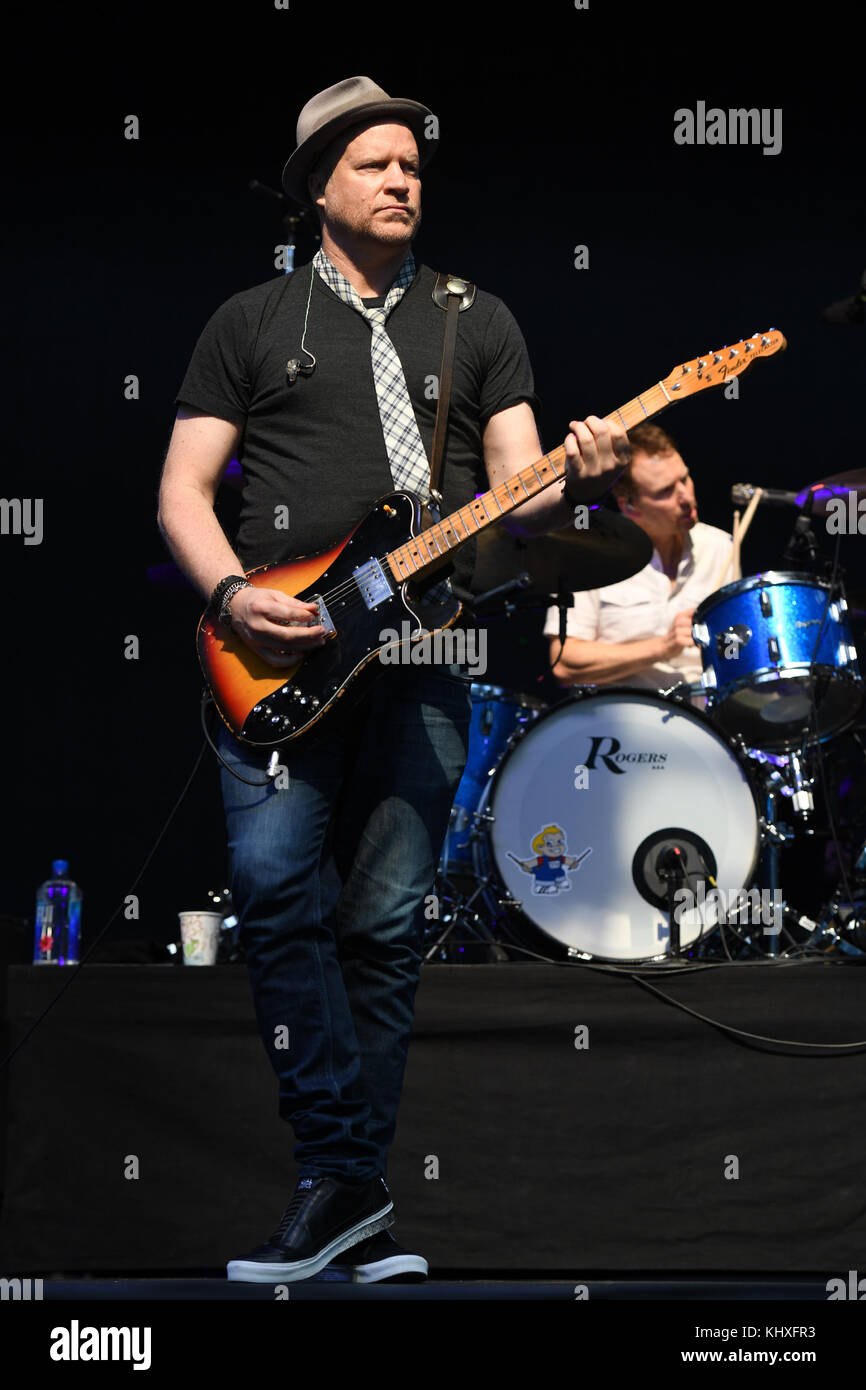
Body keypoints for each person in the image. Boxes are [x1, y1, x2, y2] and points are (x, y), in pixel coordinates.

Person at [157, 75, 629, 1284]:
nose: (403, 178)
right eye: (373, 163)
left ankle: (340, 1192)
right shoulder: (249, 322)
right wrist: (229, 596)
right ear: (318, 186)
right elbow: (179, 492)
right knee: (274, 899)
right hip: (273, 651)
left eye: (413, 164)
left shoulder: (480, 320)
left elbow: (515, 503)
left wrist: (575, 478)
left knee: (380, 924)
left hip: (423, 658)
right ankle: (345, 1178)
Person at [545, 422, 733, 693]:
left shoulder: (721, 547)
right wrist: (662, 647)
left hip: (701, 718)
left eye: (685, 479)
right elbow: (564, 663)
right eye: (665, 491)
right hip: (618, 720)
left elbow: (733, 653)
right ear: (629, 505)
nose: (686, 497)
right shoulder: (590, 556)